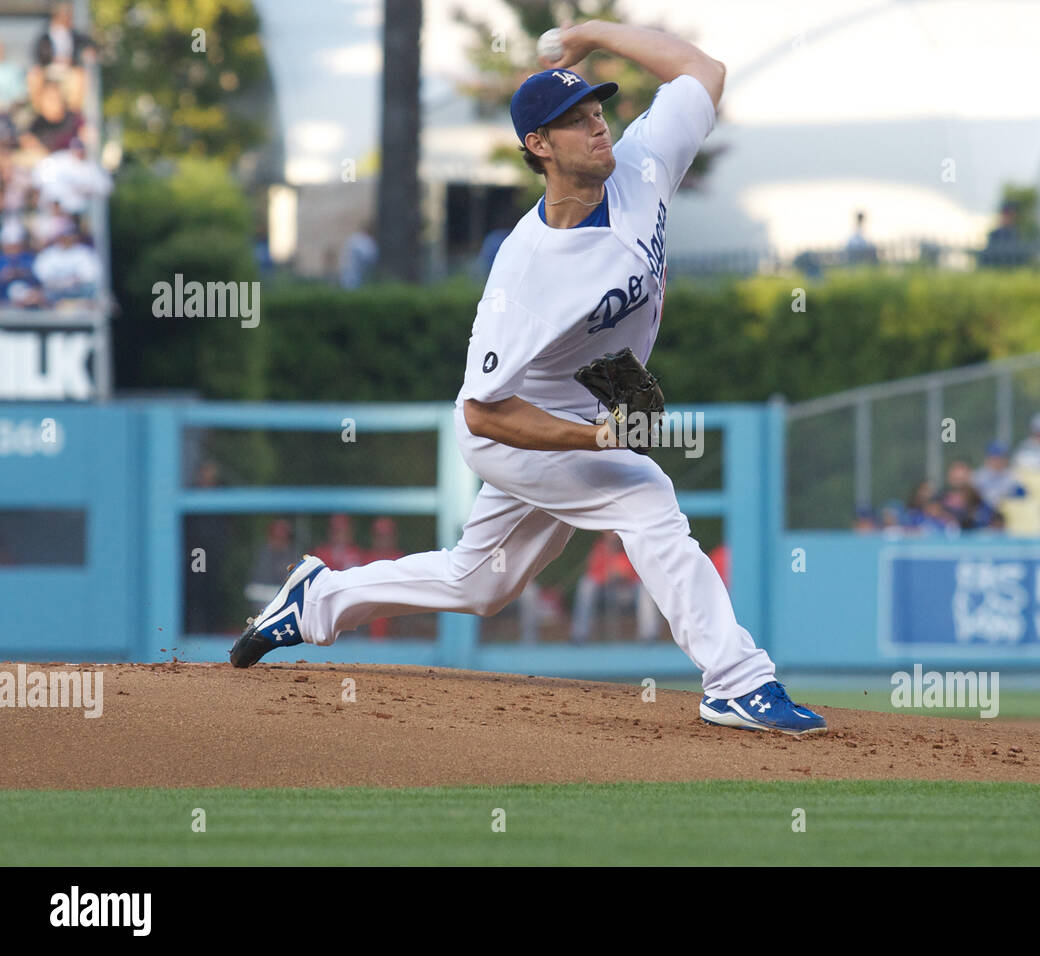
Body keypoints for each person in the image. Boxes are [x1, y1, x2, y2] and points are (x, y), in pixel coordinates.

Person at [229, 21, 826, 736]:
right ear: (539, 147)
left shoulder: (641, 163)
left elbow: (704, 68)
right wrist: (592, 436)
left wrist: (594, 33)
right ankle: (736, 680)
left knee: (479, 583)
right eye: (575, 123)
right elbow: (483, 413)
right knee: (645, 495)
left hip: (583, 398)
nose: (598, 129)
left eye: (599, 112)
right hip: (514, 431)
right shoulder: (527, 272)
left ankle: (317, 599)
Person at [971, 441, 1023, 507]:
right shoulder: (978, 476)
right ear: (988, 458)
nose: (998, 461)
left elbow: (1020, 497)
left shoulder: (1013, 476)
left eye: (1001, 458)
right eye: (994, 458)